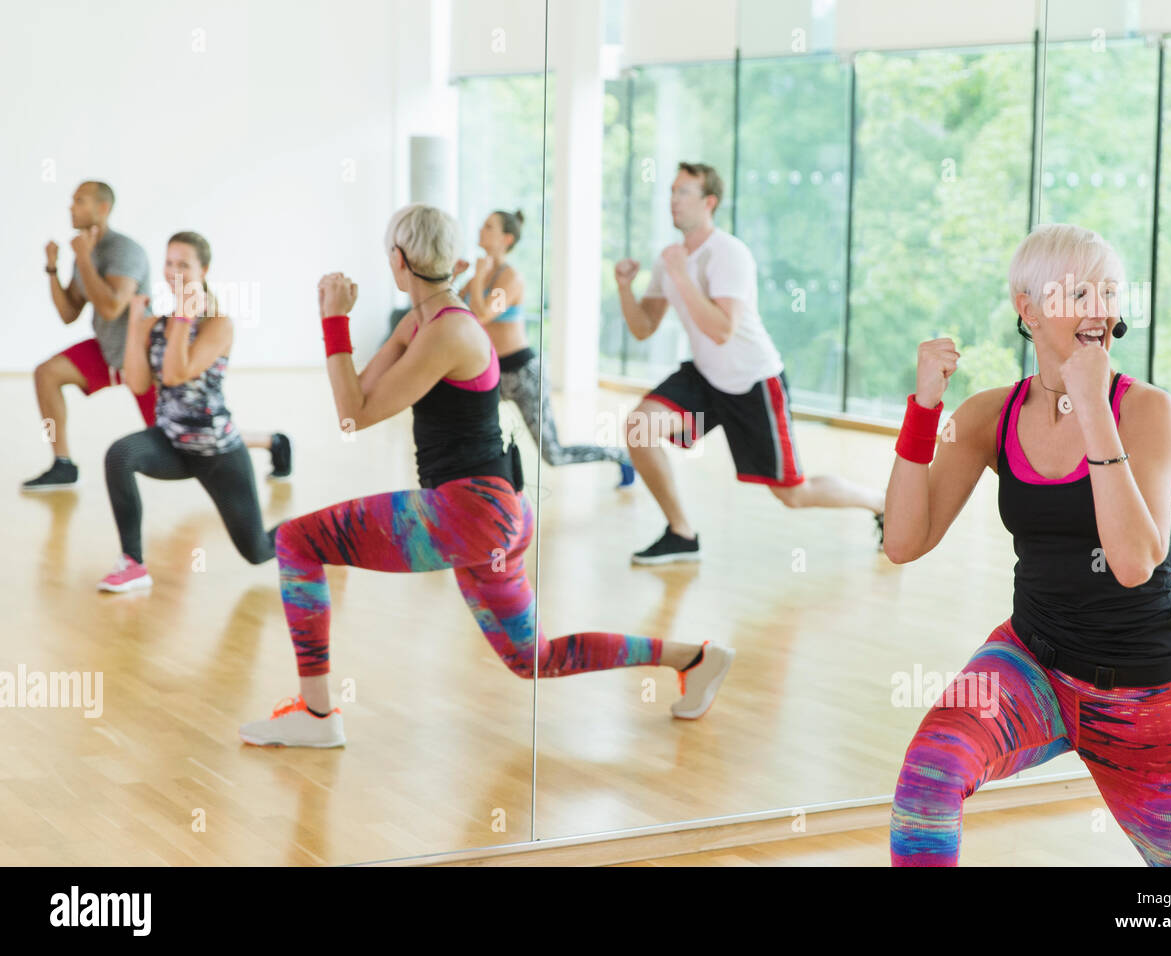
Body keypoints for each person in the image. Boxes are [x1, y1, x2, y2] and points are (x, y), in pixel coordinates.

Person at [238, 205, 734, 747]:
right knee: (534, 658)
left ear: (397, 261)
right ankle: (696, 659)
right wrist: (337, 329)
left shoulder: (448, 331)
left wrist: (334, 320)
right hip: (492, 516)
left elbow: (352, 415)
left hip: (471, 513)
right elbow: (357, 397)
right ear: (451, 260)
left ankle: (315, 716)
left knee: (296, 541)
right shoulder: (420, 322)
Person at [884, 222, 1171, 867]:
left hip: (1145, 695)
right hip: (1032, 662)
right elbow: (905, 542)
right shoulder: (990, 415)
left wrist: (1093, 408)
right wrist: (925, 409)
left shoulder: (1148, 411)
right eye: (1079, 293)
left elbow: (1134, 563)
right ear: (1028, 309)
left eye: (1109, 292)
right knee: (929, 779)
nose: (1100, 309)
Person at [614, 162, 885, 565]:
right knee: (639, 428)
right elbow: (643, 328)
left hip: (754, 381)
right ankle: (681, 533)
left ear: (709, 202)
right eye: (671, 190)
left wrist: (682, 276)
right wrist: (624, 286)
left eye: (683, 192)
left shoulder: (728, 253)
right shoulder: (669, 258)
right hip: (706, 377)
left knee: (793, 494)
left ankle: (880, 502)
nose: (673, 199)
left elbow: (723, 329)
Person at [98, 232, 285, 592]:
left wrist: (183, 318)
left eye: (184, 264)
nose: (174, 271)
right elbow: (137, 383)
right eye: (169, 263)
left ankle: (317, 536)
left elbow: (175, 373)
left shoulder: (218, 323)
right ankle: (133, 563)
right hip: (170, 442)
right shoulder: (157, 323)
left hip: (216, 452)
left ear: (204, 269)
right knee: (119, 456)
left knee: (257, 550)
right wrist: (136, 328)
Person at [452, 209, 634, 487]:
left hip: (524, 374)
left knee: (554, 454)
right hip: (492, 373)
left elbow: (483, 314)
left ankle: (619, 455)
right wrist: (455, 277)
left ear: (507, 238)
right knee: (469, 427)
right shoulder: (480, 275)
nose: (480, 229)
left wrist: (477, 276)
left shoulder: (510, 277)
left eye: (489, 226)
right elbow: (454, 311)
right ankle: (484, 489)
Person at [23, 182, 155, 491]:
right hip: (107, 352)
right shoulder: (85, 252)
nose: (71, 207)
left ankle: (271, 443)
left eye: (79, 201)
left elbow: (111, 307)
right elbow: (69, 313)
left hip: (141, 356)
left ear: (103, 208)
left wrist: (83, 257)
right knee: (47, 373)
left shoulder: (124, 250)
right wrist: (53, 268)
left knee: (183, 442)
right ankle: (63, 465)